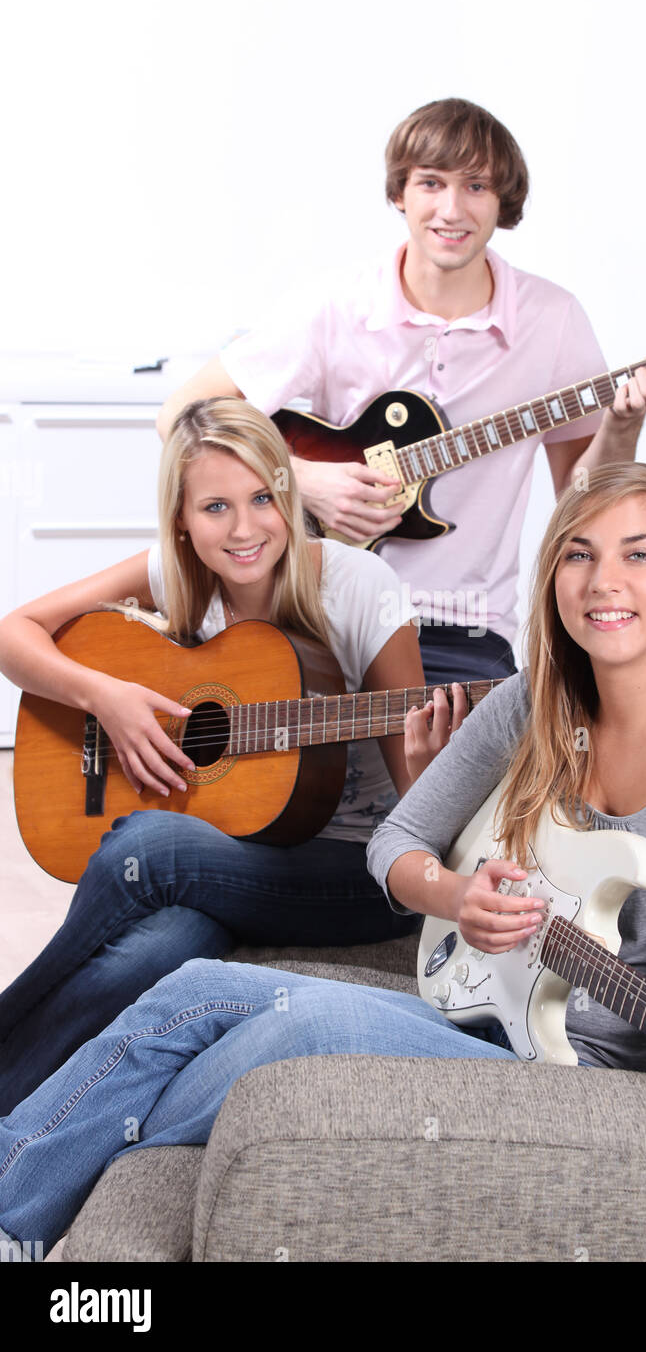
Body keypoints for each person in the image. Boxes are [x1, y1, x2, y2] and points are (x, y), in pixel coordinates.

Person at [0, 464, 646, 1254]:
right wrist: (459, 898)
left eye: (639, 554)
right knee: (193, 988)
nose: (602, 580)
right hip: (482, 1008)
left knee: (289, 1027)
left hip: (578, 1068)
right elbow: (396, 844)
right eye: (578, 552)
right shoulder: (535, 701)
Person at [0, 397, 451, 1113]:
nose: (244, 530)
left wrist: (436, 749)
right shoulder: (175, 572)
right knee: (163, 944)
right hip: (234, 851)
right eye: (214, 508)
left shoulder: (360, 588)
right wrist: (105, 697)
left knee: (151, 844)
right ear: (180, 517)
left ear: (287, 495)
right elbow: (13, 633)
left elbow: (423, 813)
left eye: (263, 499)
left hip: (358, 872)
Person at [154, 98, 646, 684]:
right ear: (401, 193)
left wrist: (624, 424)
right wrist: (301, 480)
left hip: (461, 628)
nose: (452, 210)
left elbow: (583, 504)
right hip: (316, 610)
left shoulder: (552, 320)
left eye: (476, 186)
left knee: (446, 772)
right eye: (431, 183)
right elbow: (180, 415)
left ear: (503, 203)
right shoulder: (337, 305)